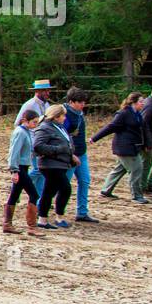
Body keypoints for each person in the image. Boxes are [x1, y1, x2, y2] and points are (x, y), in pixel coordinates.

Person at [92, 92, 149, 205]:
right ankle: (136, 196)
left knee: (119, 169)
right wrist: (95, 138)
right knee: (137, 169)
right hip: (125, 147)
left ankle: (106, 190)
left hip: (132, 146)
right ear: (133, 102)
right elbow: (111, 127)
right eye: (141, 101)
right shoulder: (124, 113)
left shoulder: (137, 113)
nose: (143, 103)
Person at [34, 104, 79, 228]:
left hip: (59, 164)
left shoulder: (59, 127)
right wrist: (59, 149)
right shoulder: (44, 128)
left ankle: (43, 219)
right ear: (56, 116)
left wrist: (71, 155)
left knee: (49, 191)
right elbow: (38, 146)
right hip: (50, 165)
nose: (65, 118)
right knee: (65, 188)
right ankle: (58, 217)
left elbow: (66, 145)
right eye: (63, 115)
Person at [4, 109, 43, 236]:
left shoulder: (26, 132)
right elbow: (14, 152)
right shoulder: (21, 133)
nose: (35, 125)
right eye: (34, 122)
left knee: (14, 195)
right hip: (20, 168)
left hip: (23, 167)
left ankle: (7, 224)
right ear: (25, 121)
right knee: (34, 194)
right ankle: (32, 226)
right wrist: (14, 170)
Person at [62, 87, 98, 223]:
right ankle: (53, 211)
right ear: (71, 102)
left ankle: (82, 212)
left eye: (84, 102)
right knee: (63, 184)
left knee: (84, 181)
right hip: (69, 155)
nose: (83, 105)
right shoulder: (64, 115)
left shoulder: (79, 113)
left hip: (81, 153)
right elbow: (62, 136)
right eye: (80, 102)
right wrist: (70, 154)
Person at [17, 79, 54, 197]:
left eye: (48, 90)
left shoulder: (46, 105)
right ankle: (19, 184)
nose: (48, 93)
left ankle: (38, 198)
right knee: (39, 169)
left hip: (42, 142)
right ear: (38, 91)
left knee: (42, 172)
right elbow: (18, 123)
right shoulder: (29, 105)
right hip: (33, 142)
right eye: (45, 91)